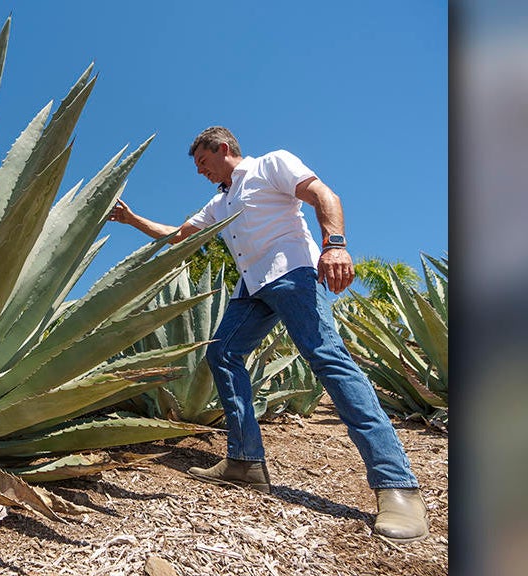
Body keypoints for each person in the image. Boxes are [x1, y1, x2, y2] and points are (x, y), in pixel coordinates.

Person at [108, 126, 428, 543]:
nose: (201, 171)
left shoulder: (270, 164)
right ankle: (245, 463)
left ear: (223, 148)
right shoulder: (219, 202)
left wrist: (335, 245)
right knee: (221, 354)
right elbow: (178, 235)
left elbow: (324, 195)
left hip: (294, 274)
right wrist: (132, 219)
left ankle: (397, 486)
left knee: (328, 361)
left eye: (203, 162)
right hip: (253, 288)